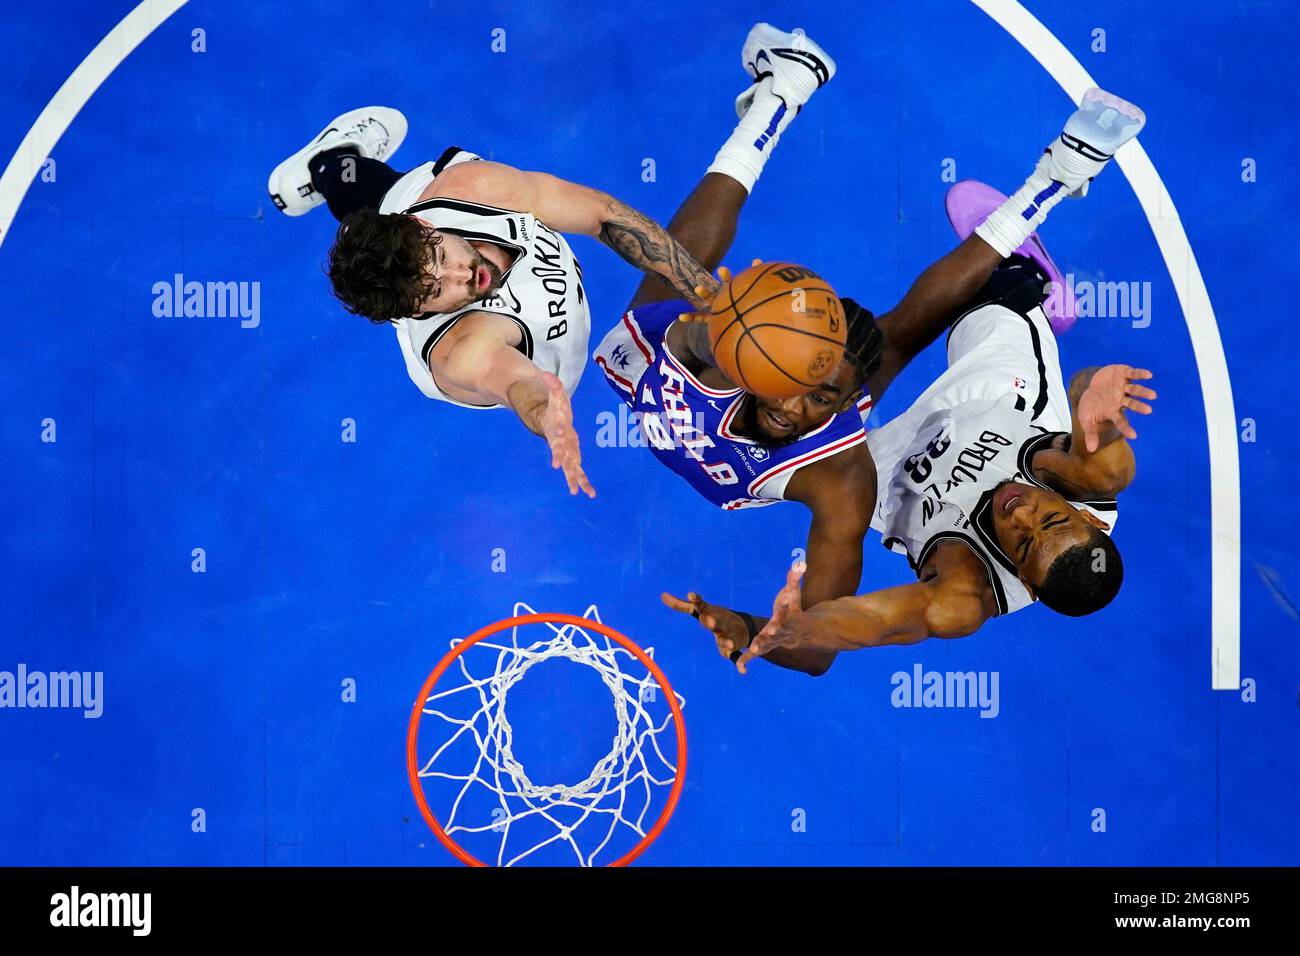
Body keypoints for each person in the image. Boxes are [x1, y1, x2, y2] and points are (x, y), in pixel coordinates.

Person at [661, 89, 1152, 675]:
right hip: (1000, 397)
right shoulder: (1098, 478)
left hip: (898, 469)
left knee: (817, 405)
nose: (1020, 515)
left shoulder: (962, 599)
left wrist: (789, 628)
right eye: (1048, 517)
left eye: (1021, 542)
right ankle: (1046, 226)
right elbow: (1089, 410)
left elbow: (872, 621)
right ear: (1086, 515)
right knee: (994, 292)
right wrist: (1091, 386)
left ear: (1020, 573)